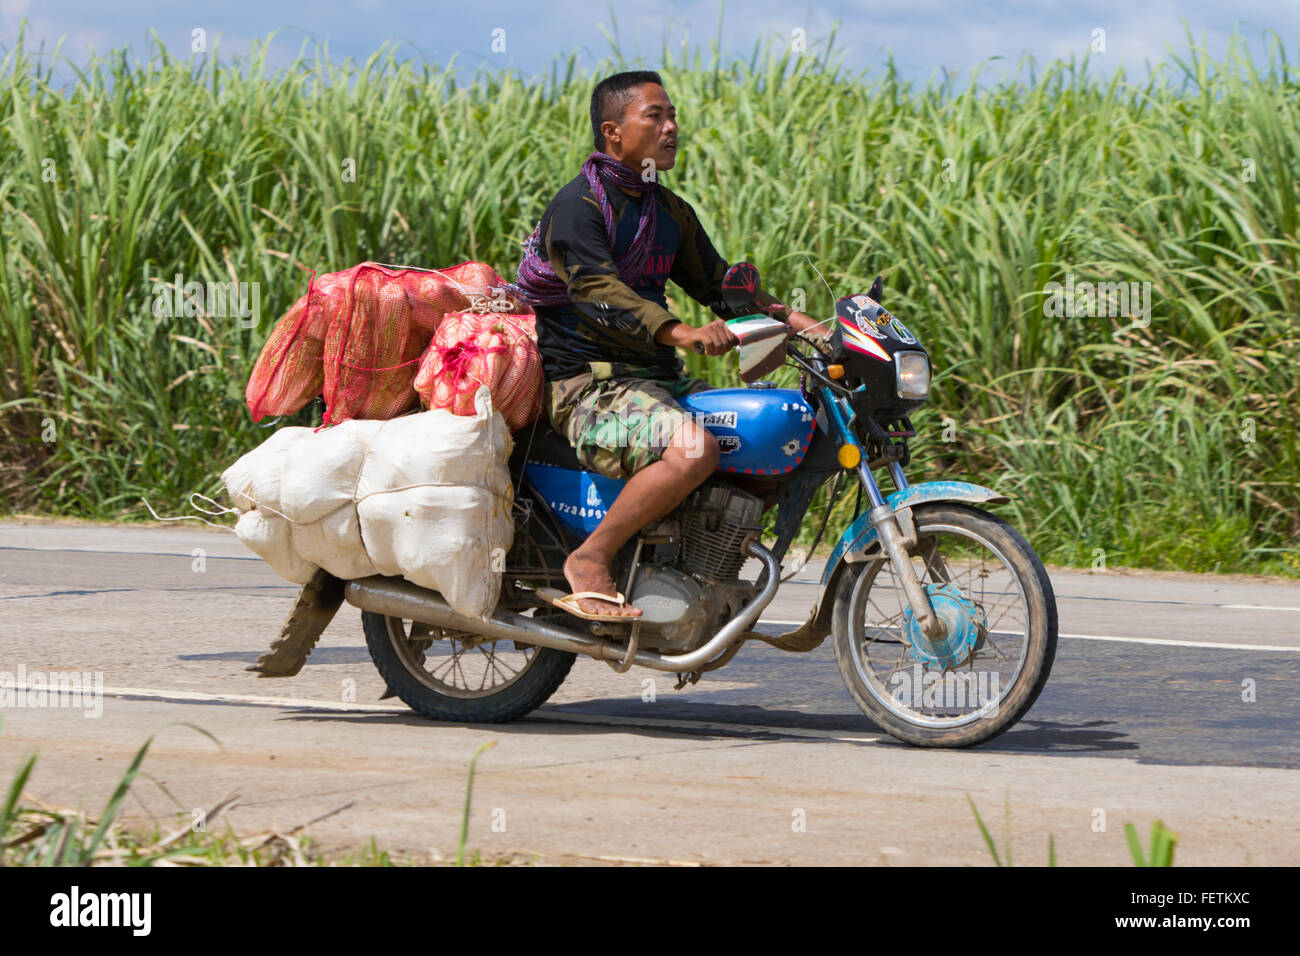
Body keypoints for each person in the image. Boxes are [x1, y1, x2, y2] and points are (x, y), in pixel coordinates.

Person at [504, 70, 827, 621]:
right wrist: (681, 332)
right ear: (613, 130)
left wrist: (809, 326)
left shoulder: (668, 213)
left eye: (672, 115)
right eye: (655, 116)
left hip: (657, 381)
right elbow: (597, 288)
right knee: (694, 448)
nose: (671, 127)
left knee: (777, 434)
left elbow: (721, 286)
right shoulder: (577, 207)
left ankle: (695, 567)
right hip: (589, 387)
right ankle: (590, 559)